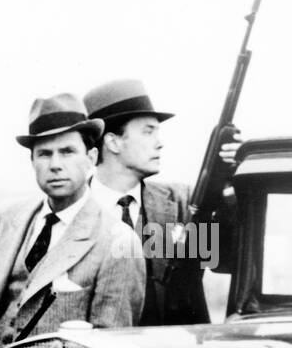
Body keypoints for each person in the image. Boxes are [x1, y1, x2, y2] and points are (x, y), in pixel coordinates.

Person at [0, 93, 144, 348]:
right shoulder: (8, 221)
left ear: (92, 158)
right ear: (32, 161)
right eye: (44, 154)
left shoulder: (119, 241)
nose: (55, 165)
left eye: (68, 152)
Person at [84, 79, 210, 325]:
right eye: (148, 131)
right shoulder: (72, 210)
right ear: (113, 142)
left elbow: (218, 257)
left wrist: (226, 181)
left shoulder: (182, 205)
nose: (160, 142)